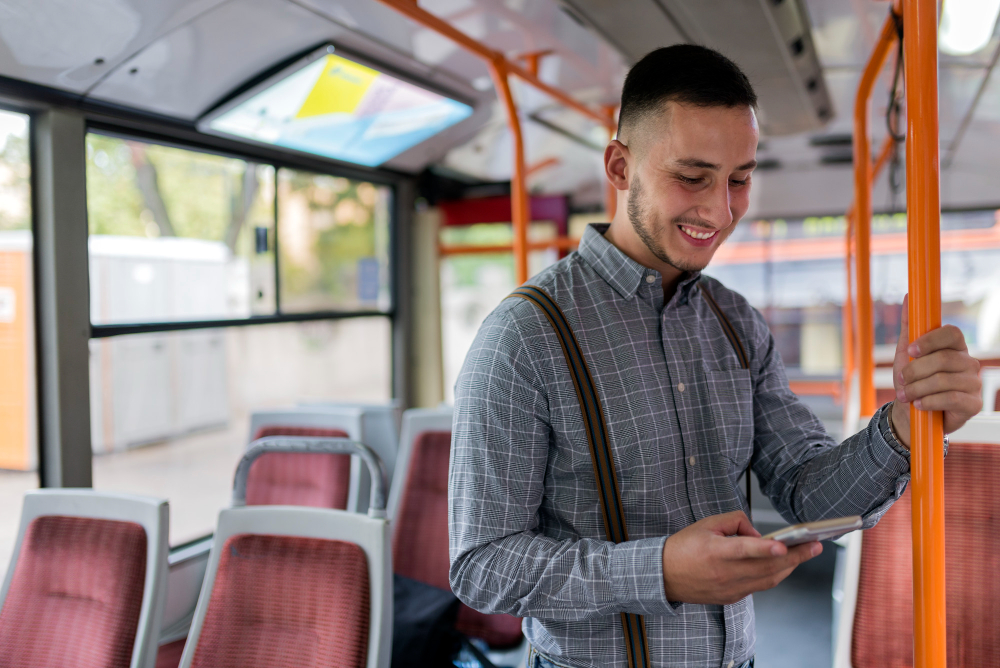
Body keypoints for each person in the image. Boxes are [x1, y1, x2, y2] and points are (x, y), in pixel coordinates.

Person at [448, 45, 982, 668]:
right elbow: (481, 565)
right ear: (620, 167)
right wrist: (660, 572)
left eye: (740, 179)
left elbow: (808, 494)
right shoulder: (525, 336)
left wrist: (905, 422)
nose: (721, 211)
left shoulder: (736, 324)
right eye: (692, 177)